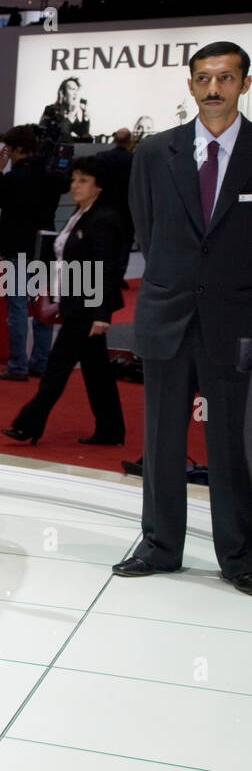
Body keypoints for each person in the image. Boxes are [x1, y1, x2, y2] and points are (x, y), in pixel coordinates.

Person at [116, 41, 252, 595]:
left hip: (236, 320)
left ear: (244, 83)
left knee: (232, 445)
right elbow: (146, 230)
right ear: (190, 85)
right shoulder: (155, 153)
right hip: (168, 313)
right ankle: (159, 546)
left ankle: (240, 556)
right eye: (203, 79)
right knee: (163, 439)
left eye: (224, 77)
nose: (213, 88)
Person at [1, 157, 125, 445]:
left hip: (86, 307)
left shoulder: (102, 219)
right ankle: (111, 429)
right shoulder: (79, 215)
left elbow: (107, 268)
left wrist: (102, 314)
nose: (75, 186)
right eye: (73, 180)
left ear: (99, 186)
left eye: (83, 180)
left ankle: (28, 423)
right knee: (97, 374)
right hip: (75, 302)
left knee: (57, 369)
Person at [0, 124, 64, 380]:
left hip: (16, 247)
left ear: (19, 149)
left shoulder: (12, 179)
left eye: (9, 149)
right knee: (43, 307)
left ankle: (17, 365)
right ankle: (40, 362)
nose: (7, 153)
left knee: (18, 309)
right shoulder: (50, 176)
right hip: (44, 247)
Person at [97, 127, 135, 289]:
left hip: (104, 207)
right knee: (125, 243)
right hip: (126, 208)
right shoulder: (134, 160)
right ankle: (118, 275)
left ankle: (103, 274)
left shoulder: (102, 158)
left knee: (104, 242)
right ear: (129, 141)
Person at [41, 77, 91, 141]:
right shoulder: (50, 110)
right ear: (62, 93)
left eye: (76, 90)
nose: (75, 93)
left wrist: (85, 120)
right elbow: (59, 135)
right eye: (72, 89)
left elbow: (83, 135)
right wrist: (70, 118)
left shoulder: (71, 112)